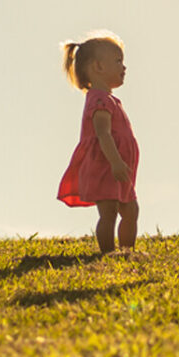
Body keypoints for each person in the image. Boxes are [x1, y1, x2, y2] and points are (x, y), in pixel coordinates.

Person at [56, 31, 141, 255]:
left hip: (118, 167)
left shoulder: (109, 99)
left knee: (131, 210)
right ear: (98, 67)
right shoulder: (99, 99)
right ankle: (108, 253)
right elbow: (103, 134)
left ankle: (126, 251)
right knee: (109, 212)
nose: (124, 67)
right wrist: (115, 162)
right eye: (118, 61)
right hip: (105, 166)